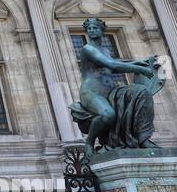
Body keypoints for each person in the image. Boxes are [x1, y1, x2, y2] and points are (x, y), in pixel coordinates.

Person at [70, 18, 164, 151]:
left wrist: (136, 63)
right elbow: (111, 64)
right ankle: (89, 142)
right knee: (108, 115)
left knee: (142, 92)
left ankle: (143, 138)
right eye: (89, 28)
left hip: (111, 90)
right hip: (92, 92)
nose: (91, 30)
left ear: (102, 30)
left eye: (95, 27)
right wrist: (139, 69)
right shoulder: (87, 48)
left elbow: (112, 69)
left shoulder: (105, 50)